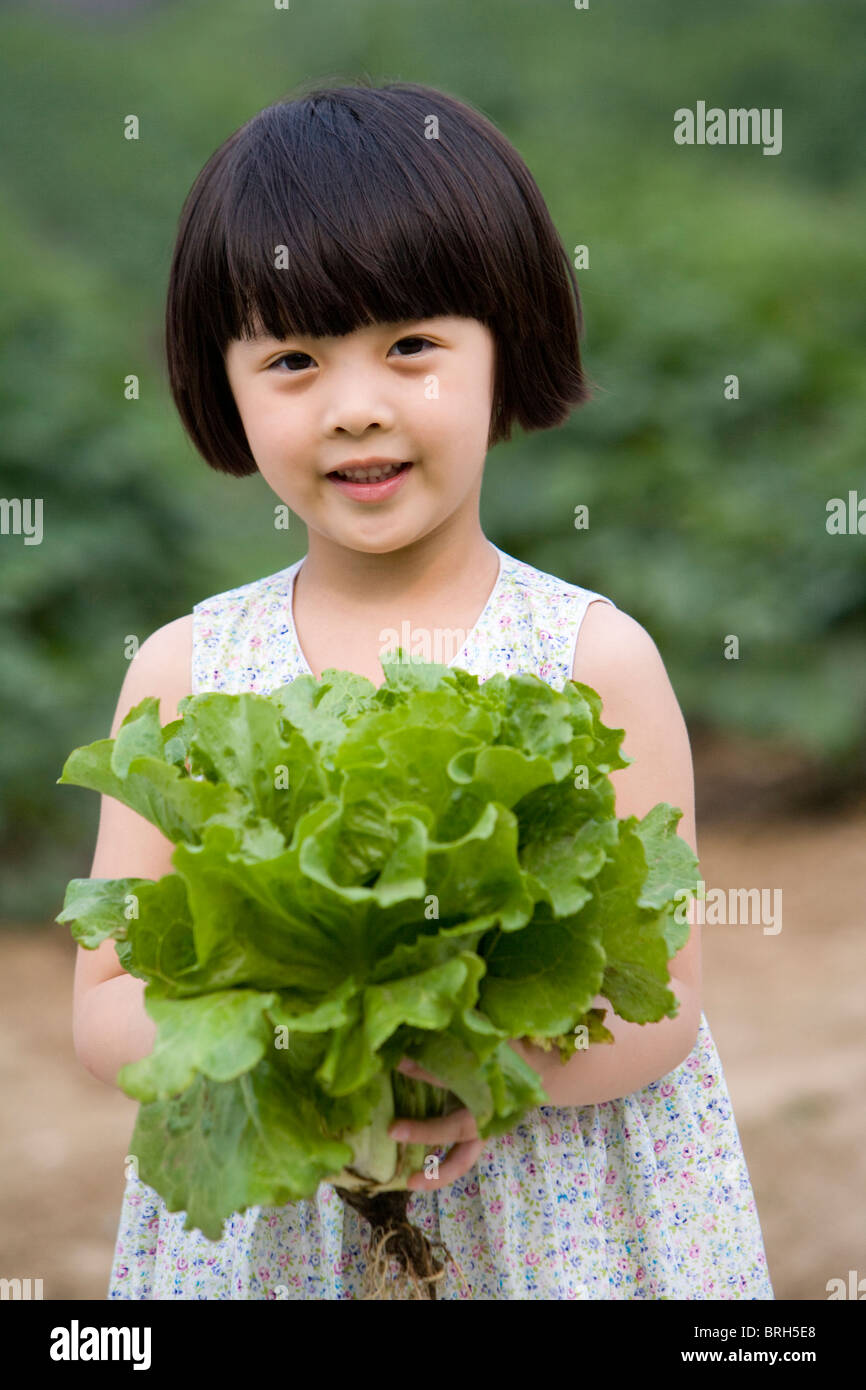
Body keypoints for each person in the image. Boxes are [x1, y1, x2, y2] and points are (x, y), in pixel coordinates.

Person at [73, 79, 774, 1300]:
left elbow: (655, 1005)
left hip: (559, 1226)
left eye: (410, 346)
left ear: (509, 345)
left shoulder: (593, 659)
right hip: (281, 1216)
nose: (356, 408)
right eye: (292, 358)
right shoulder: (184, 671)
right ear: (220, 384)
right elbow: (105, 994)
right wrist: (300, 1062)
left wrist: (466, 1069)